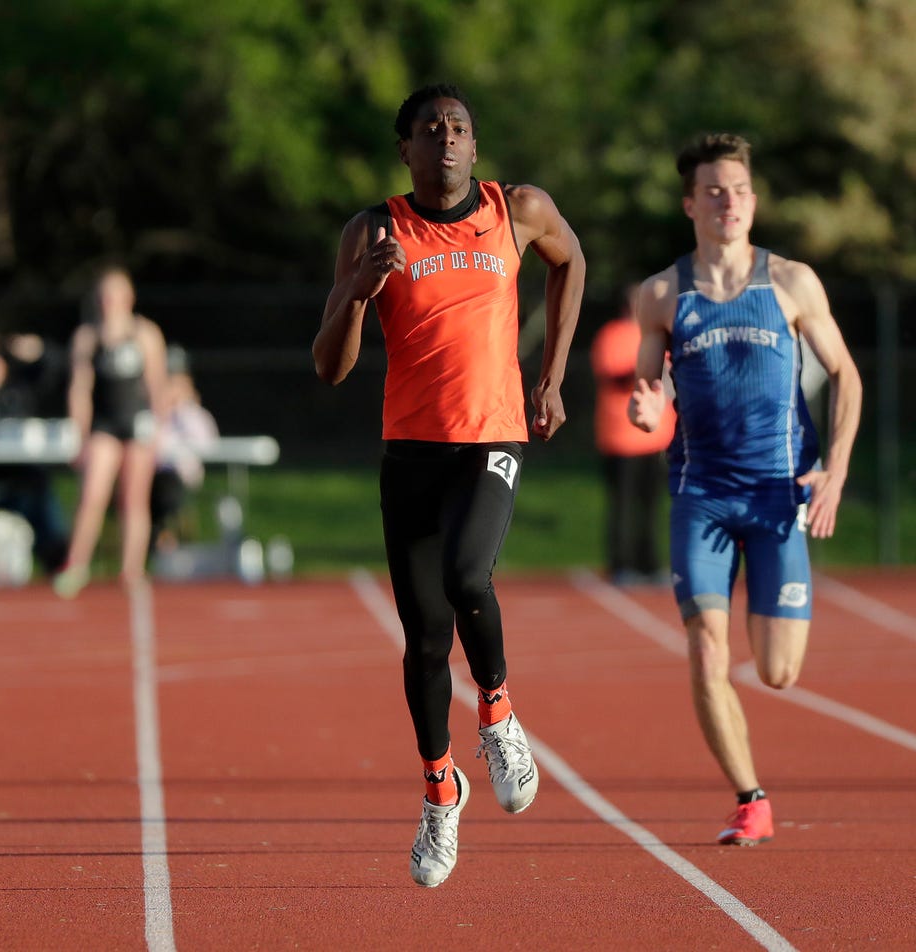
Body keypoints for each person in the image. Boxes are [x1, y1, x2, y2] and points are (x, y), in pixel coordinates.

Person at [313, 84, 585, 887]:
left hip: (491, 436)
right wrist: (358, 291)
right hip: (411, 450)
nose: (448, 139)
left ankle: (497, 715)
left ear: (475, 143)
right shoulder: (373, 230)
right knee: (427, 639)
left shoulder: (517, 208)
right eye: (431, 129)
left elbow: (571, 262)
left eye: (460, 127)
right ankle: (441, 789)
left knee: (469, 575)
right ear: (406, 149)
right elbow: (329, 367)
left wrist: (552, 376)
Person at [629, 133, 862, 847]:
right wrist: (646, 412)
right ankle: (750, 800)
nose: (728, 202)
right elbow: (647, 392)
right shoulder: (661, 294)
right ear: (690, 205)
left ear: (753, 202)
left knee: (778, 672)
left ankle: (753, 784)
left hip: (776, 497)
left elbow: (846, 376)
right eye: (714, 191)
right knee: (706, 648)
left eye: (738, 190)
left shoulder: (791, 283)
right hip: (700, 495)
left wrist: (836, 470)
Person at [53, 266, 168, 598]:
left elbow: (157, 384)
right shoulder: (87, 337)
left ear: (129, 297)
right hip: (104, 424)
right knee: (92, 494)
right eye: (105, 295)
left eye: (116, 294)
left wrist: (159, 428)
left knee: (133, 499)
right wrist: (80, 435)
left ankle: (131, 570)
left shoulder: (145, 333)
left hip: (138, 423)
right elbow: (80, 389)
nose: (110, 301)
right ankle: (76, 564)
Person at [590, 285, 676, 586]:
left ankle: (649, 564)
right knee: (623, 505)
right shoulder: (612, 334)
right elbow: (611, 376)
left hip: (657, 439)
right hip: (621, 438)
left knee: (651, 507)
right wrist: (645, 369)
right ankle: (621, 564)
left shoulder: (661, 335)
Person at [0, 331, 70, 576]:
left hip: (26, 479)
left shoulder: (20, 392)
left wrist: (39, 351)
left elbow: (60, 369)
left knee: (41, 496)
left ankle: (57, 558)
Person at [150, 345, 219, 554]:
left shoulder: (194, 415)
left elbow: (208, 444)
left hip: (181, 478)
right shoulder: (152, 415)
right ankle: (157, 540)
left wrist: (183, 409)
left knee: (167, 486)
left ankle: (163, 538)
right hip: (151, 476)